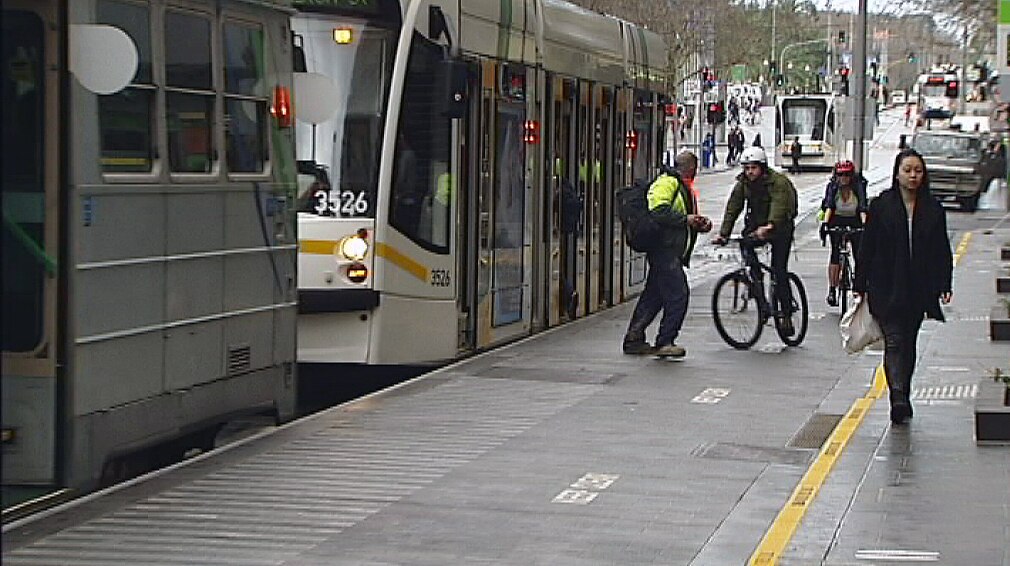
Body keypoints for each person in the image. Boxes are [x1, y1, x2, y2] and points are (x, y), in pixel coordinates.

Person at [853, 148, 953, 425]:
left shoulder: (933, 209)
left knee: (908, 341)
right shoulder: (881, 205)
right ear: (896, 174)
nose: (912, 176)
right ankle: (897, 395)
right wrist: (859, 283)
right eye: (907, 170)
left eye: (917, 171)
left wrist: (944, 282)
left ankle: (903, 390)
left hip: (918, 288)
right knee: (894, 341)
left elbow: (941, 249)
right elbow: (868, 246)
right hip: (886, 284)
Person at [622, 152, 712, 357]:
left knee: (654, 296)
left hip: (669, 250)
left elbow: (679, 216)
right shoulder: (668, 182)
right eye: (694, 168)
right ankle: (665, 340)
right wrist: (686, 220)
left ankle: (634, 339)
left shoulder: (680, 185)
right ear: (690, 168)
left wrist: (697, 224)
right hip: (664, 250)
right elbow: (659, 211)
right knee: (678, 295)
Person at [712, 146, 799, 335]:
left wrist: (770, 226)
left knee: (779, 270)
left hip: (780, 227)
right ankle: (757, 285)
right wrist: (723, 234)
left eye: (753, 168)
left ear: (762, 167)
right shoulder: (743, 183)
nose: (749, 172)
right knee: (746, 246)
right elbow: (733, 207)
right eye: (746, 168)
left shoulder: (778, 183)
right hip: (757, 224)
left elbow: (779, 205)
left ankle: (786, 313)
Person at [819, 160, 868, 306]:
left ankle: (859, 288)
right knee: (835, 254)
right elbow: (829, 206)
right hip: (837, 219)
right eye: (840, 175)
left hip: (854, 219)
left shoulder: (858, 187)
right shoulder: (833, 187)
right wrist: (826, 224)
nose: (843, 178)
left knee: (859, 254)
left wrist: (865, 225)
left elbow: (862, 208)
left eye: (847, 175)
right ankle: (832, 289)